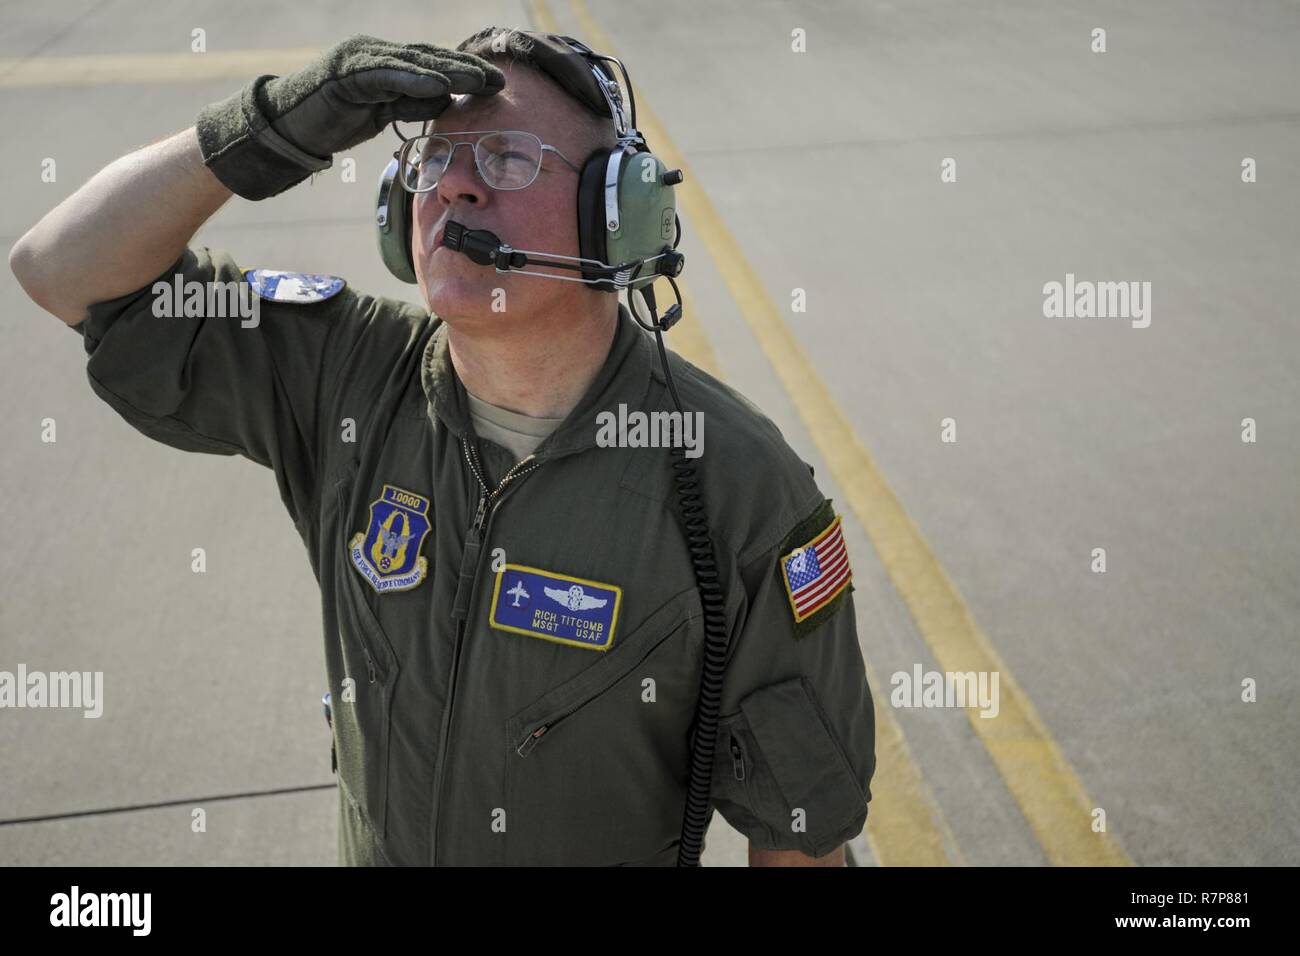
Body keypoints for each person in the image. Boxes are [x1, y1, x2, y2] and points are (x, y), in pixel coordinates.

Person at [9, 27, 876, 867]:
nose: (455, 188)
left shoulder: (737, 487)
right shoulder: (342, 373)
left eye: (506, 158)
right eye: (433, 159)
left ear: (617, 215)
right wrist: (266, 126)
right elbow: (60, 267)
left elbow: (798, 836)